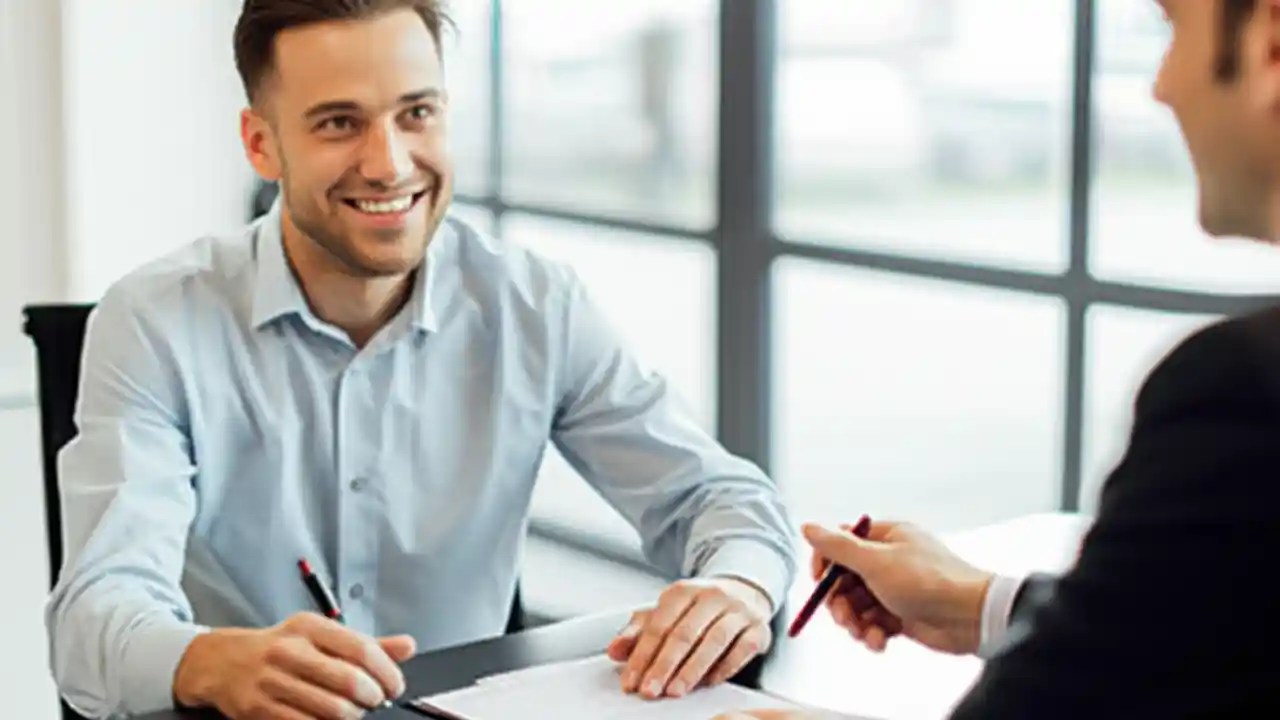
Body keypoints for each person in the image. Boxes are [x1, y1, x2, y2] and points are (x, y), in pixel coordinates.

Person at [44, 2, 796, 718]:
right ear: (260, 143)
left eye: (417, 113)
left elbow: (724, 501)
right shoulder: (154, 321)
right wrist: (208, 662)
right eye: (340, 123)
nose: (389, 163)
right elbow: (94, 623)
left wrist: (734, 588)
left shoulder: (534, 306)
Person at [718, 0, 1280, 717]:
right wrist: (975, 602)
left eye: (1174, 27)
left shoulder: (1242, 392)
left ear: (1269, 42)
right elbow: (1217, 629)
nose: (1160, 86)